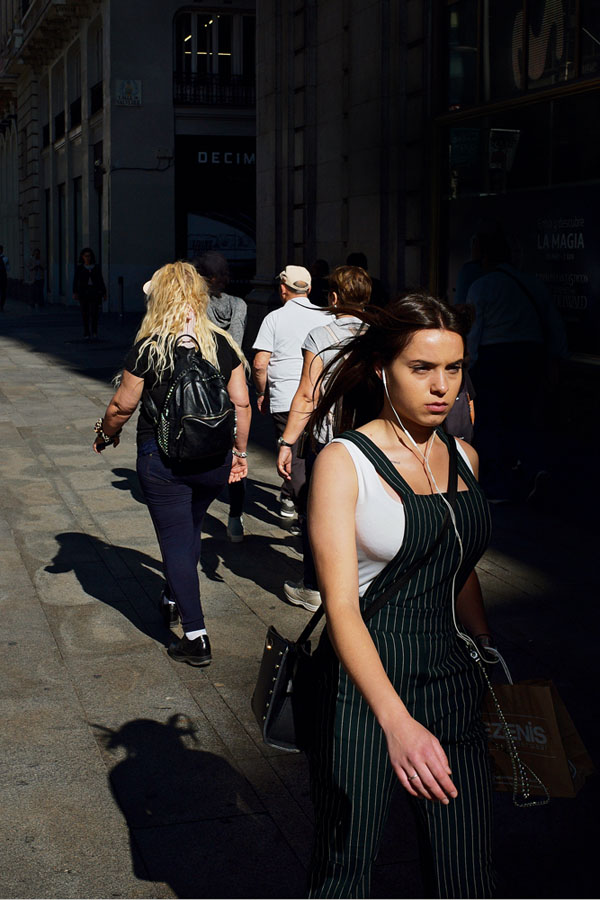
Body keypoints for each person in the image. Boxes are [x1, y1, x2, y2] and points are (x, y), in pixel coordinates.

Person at [305, 294, 496, 898]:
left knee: (466, 863)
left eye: (455, 368)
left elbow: (459, 568)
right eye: (422, 368)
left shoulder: (463, 456)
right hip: (361, 686)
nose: (442, 387)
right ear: (385, 368)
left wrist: (489, 654)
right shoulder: (345, 462)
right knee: (347, 863)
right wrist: (395, 721)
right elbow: (339, 606)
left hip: (451, 672)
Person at [92, 261, 251, 667]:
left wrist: (106, 433)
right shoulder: (221, 344)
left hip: (163, 461)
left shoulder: (150, 347)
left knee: (177, 541)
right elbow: (242, 403)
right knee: (190, 530)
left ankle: (196, 637)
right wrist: (240, 453)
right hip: (214, 460)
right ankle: (170, 595)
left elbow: (122, 405)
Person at [276, 265, 371, 611]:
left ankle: (315, 587)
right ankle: (362, 583)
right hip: (371, 439)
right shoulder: (380, 336)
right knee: (363, 510)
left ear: (333, 298)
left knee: (319, 512)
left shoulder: (320, 336)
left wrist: (287, 442)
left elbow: (306, 396)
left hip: (329, 441)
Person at [466, 230, 568, 502]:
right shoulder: (532, 283)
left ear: (484, 256)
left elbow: (474, 331)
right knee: (523, 418)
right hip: (531, 356)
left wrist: (467, 365)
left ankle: (499, 484)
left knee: (492, 421)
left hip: (495, 359)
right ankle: (534, 469)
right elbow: (554, 324)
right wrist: (556, 359)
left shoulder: (481, 286)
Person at [252, 264, 328, 520]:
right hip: (320, 395)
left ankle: (301, 507)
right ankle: (299, 499)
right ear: (309, 288)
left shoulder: (274, 318)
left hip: (285, 395)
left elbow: (260, 363)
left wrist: (262, 393)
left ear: (283, 288)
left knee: (292, 454)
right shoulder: (326, 316)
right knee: (318, 451)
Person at [193, 251, 248, 542]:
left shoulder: (196, 304)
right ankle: (235, 518)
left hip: (202, 383)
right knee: (237, 452)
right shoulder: (239, 304)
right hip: (233, 378)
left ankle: (198, 508)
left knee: (202, 447)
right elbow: (236, 343)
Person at [73, 247, 106, 339]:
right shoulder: (80, 268)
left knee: (94, 312)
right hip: (83, 292)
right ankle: (86, 331)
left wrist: (103, 292)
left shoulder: (96, 267)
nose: (88, 258)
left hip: (94, 292)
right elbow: (76, 280)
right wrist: (75, 292)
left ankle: (94, 331)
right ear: (82, 257)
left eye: (89, 256)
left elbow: (100, 280)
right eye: (86, 256)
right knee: (85, 312)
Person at [0, 244, 8, 312]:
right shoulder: (5, 258)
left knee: (3, 292)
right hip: (3, 277)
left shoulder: (5, 259)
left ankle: (1, 306)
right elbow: (8, 268)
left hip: (3, 277)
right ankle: (1, 306)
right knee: (3, 292)